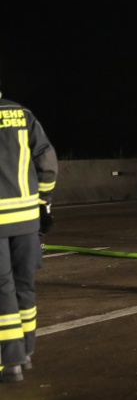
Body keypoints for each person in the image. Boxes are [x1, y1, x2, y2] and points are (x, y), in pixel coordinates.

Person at [0, 85, 58, 383]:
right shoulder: (21, 114)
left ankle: (10, 361)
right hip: (25, 219)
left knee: (3, 288)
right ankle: (26, 351)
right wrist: (43, 201)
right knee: (24, 283)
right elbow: (46, 161)